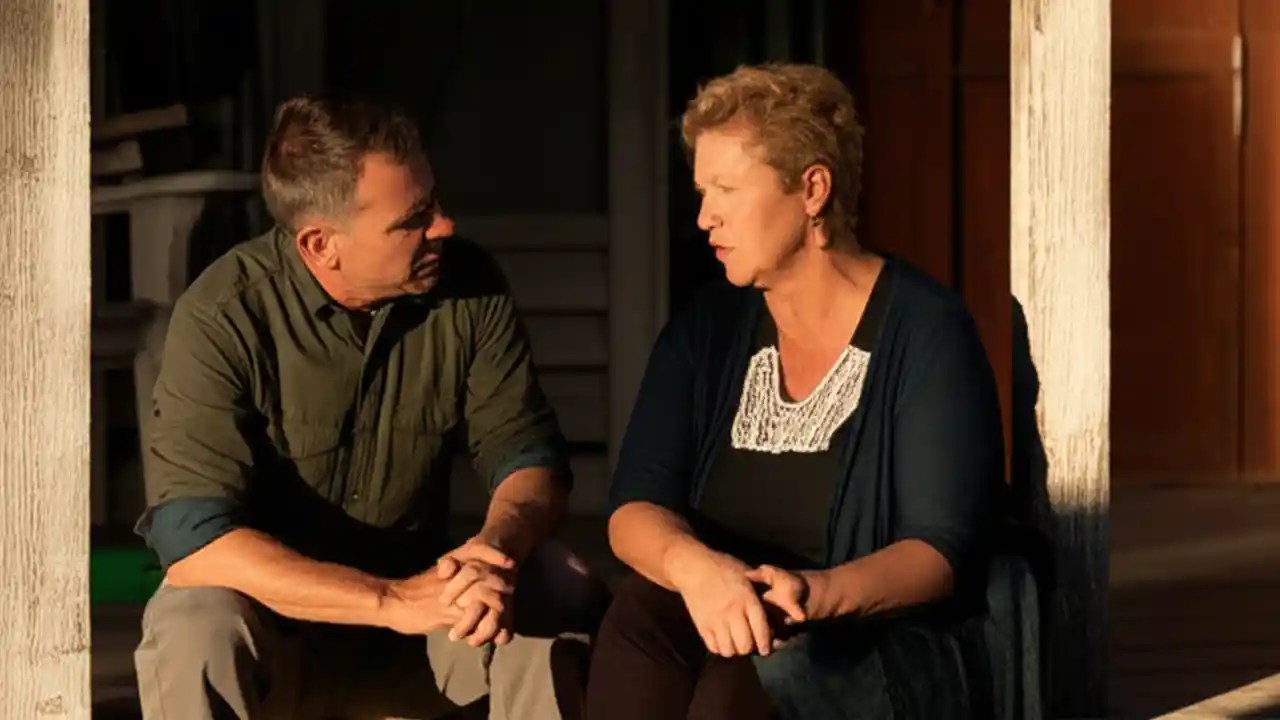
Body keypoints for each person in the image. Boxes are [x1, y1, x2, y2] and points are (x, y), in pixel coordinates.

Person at [133, 94, 606, 720]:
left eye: (433, 200)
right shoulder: (224, 314)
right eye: (413, 219)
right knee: (194, 623)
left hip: (424, 631)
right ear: (321, 245)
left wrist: (491, 550)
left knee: (553, 581)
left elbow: (529, 455)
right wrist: (389, 599)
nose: (444, 225)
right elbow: (195, 543)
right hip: (284, 630)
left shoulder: (467, 285)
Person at [584, 63, 1004, 719]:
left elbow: (939, 551)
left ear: (811, 188)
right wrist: (699, 571)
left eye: (724, 188)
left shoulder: (927, 331)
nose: (704, 217)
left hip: (856, 642)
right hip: (716, 619)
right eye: (701, 191)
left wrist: (812, 593)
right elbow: (634, 507)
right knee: (641, 614)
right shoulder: (706, 329)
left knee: (751, 678)